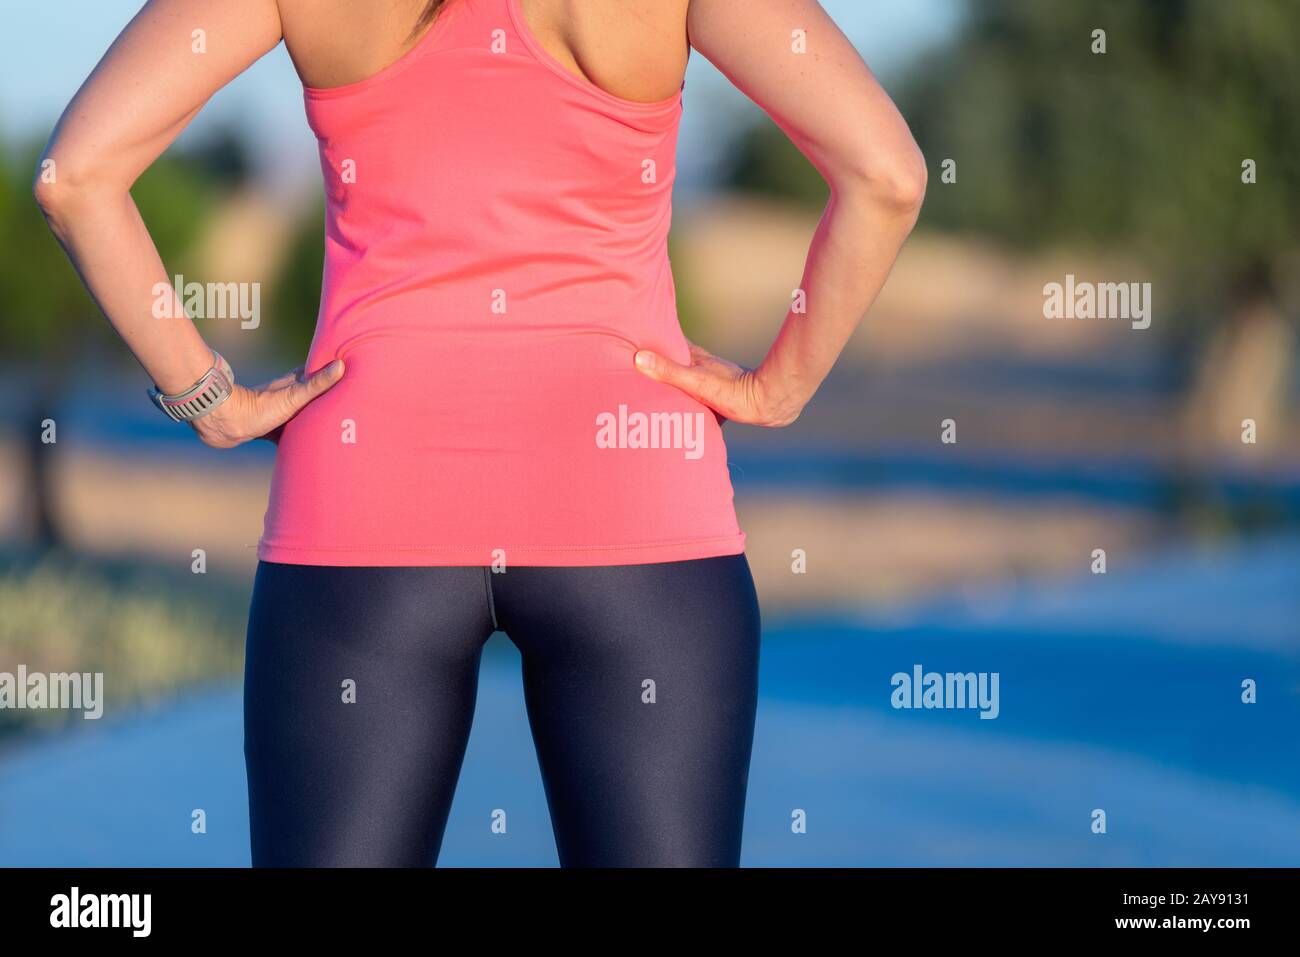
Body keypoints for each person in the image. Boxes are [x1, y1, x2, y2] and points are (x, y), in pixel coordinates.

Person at [34, 0, 925, 866]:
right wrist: (781, 386)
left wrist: (207, 397)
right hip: (634, 499)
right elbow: (887, 176)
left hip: (367, 502)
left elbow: (75, 177)